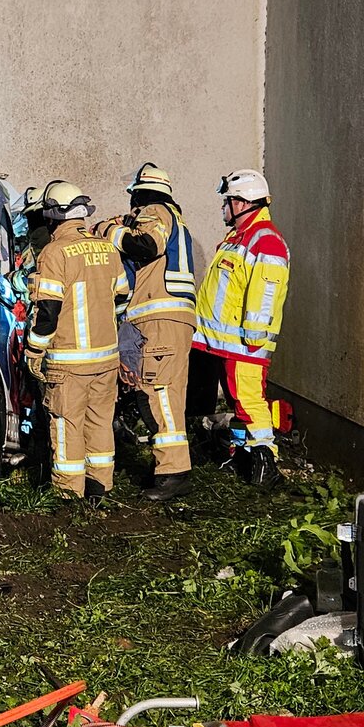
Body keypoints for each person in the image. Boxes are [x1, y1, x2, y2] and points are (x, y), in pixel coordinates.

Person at [26, 181, 129, 503]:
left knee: (67, 425)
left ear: (53, 217)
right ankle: (99, 489)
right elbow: (122, 299)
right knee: (99, 424)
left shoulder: (54, 253)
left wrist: (34, 349)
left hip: (69, 363)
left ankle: (69, 496)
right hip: (106, 360)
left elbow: (48, 311)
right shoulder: (107, 249)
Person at [194, 168, 291, 486]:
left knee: (250, 401)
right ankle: (243, 456)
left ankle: (267, 464)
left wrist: (253, 336)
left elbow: (266, 291)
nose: (224, 207)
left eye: (229, 201)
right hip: (225, 343)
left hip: (243, 344)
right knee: (239, 403)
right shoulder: (239, 237)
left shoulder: (266, 240)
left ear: (242, 202)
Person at [113, 164, 199, 500]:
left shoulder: (155, 211)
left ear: (140, 194)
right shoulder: (176, 218)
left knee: (158, 394)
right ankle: (169, 468)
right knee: (163, 394)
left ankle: (173, 473)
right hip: (168, 320)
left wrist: (111, 232)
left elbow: (147, 246)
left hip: (160, 320)